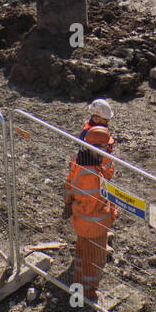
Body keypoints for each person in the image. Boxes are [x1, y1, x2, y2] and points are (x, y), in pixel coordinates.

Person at [64, 99, 117, 301]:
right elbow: (100, 203)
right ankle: (87, 294)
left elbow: (69, 186)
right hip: (95, 226)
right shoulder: (93, 176)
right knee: (94, 260)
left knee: (82, 254)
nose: (107, 150)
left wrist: (68, 204)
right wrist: (112, 212)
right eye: (104, 147)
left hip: (82, 222)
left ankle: (77, 290)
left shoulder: (79, 164)